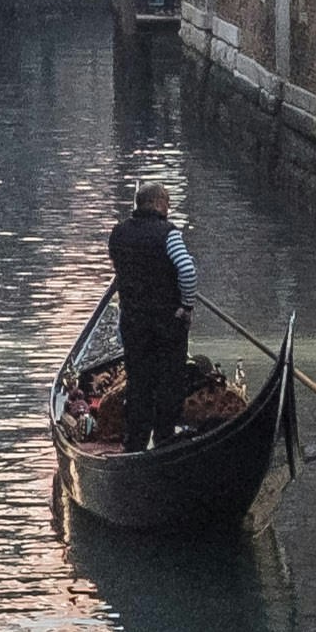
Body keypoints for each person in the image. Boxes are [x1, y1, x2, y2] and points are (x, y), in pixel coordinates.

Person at [106, 178, 199, 453]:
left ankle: (135, 442)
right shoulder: (168, 233)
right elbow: (187, 271)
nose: (168, 208)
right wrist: (187, 305)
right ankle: (164, 440)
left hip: (134, 321)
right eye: (167, 202)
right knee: (169, 379)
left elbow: (120, 267)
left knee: (139, 381)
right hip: (167, 322)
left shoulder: (118, 233)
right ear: (158, 203)